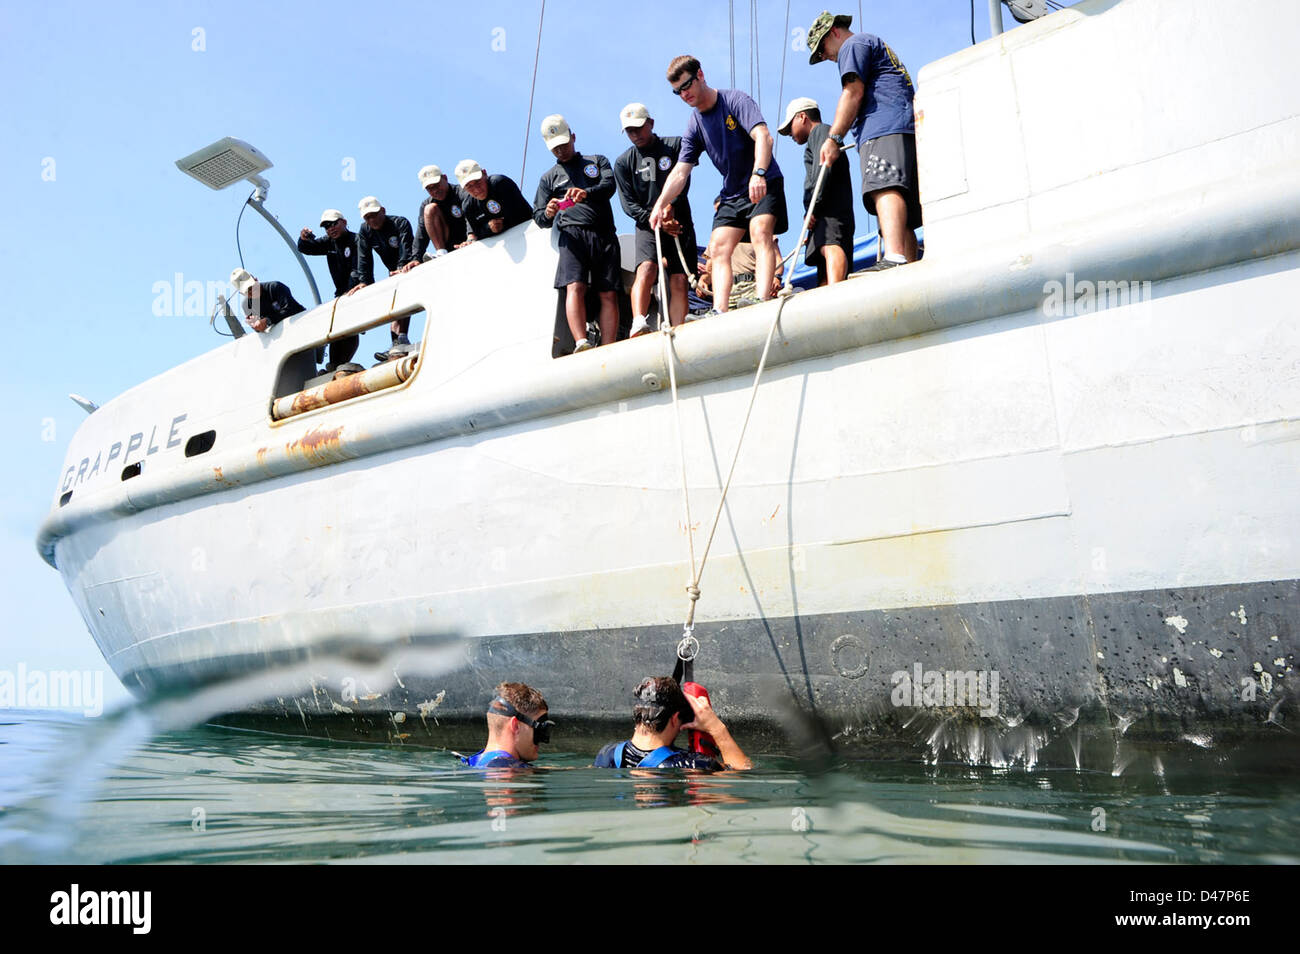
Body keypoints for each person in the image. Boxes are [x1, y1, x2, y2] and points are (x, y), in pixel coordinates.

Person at [650, 55, 788, 317]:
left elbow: (763, 136)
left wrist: (758, 173)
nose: (684, 94)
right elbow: (681, 171)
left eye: (687, 85)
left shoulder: (735, 100)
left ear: (700, 75)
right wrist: (660, 204)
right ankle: (719, 310)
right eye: (677, 91)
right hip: (732, 192)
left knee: (760, 232)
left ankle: (761, 299)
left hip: (762, 180)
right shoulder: (694, 123)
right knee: (720, 245)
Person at [807, 11, 920, 268]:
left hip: (882, 127)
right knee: (904, 212)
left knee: (884, 185)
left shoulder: (853, 45)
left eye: (822, 49)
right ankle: (909, 265)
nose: (824, 57)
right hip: (903, 128)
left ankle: (894, 257)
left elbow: (852, 92)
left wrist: (834, 138)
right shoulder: (872, 43)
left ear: (834, 32)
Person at [532, 114, 622, 354]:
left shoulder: (597, 161)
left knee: (608, 291)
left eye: (563, 144)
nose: (560, 150)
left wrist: (586, 193)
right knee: (575, 287)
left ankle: (609, 346)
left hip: (603, 233)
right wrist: (549, 212)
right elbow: (539, 217)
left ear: (573, 137)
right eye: (555, 148)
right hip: (571, 237)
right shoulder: (548, 178)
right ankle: (581, 341)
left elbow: (609, 186)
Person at [613, 103, 697, 336]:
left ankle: (678, 329)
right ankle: (638, 321)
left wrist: (670, 206)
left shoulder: (675, 145)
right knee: (646, 268)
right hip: (647, 225)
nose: (635, 134)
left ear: (650, 123)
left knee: (680, 279)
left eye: (639, 128)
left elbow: (683, 177)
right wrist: (654, 217)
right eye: (630, 131)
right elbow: (627, 203)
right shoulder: (623, 162)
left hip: (679, 221)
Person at [593, 676, 752, 770]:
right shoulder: (691, 764)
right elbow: (743, 773)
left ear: (638, 714)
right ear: (675, 718)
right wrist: (716, 728)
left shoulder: (607, 753)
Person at [778, 97, 855, 285]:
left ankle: (834, 291)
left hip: (830, 210)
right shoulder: (818, 136)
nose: (790, 134)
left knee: (830, 246)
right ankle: (827, 295)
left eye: (790, 128)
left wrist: (814, 207)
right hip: (823, 212)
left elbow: (823, 169)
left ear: (802, 117)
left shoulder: (821, 132)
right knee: (823, 255)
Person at [349, 196, 417, 358]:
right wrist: (364, 281)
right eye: (367, 217)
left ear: (383, 211)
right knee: (394, 302)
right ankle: (396, 342)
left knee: (403, 291)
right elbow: (364, 256)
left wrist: (402, 266)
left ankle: (402, 338)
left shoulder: (400, 223)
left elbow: (407, 246)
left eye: (374, 214)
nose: (371, 219)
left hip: (409, 266)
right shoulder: (365, 230)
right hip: (392, 270)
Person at [296, 210, 360, 369]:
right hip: (340, 294)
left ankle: (341, 362)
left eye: (333, 224)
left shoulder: (357, 239)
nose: (330, 228)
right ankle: (334, 364)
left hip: (358, 288)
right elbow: (306, 248)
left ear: (344, 222)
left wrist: (352, 289)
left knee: (351, 328)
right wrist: (303, 238)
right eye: (326, 226)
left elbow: (360, 267)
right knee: (337, 327)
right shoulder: (329, 242)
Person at [461, 682, 554, 768]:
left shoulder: (475, 761)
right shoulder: (503, 769)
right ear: (515, 726)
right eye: (540, 729)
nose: (544, 739)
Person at [455, 160, 532, 242]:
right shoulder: (468, 205)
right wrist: (489, 228)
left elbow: (524, 212)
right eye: (469, 186)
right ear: (463, 188)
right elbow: (478, 234)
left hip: (529, 233)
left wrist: (503, 224)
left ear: (484, 173)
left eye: (478, 181)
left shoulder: (500, 184)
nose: (476, 189)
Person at [412, 164, 468, 262]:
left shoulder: (461, 192)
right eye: (429, 188)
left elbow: (471, 215)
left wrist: (471, 238)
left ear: (445, 178)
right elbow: (421, 233)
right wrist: (415, 258)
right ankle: (441, 253)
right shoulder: (426, 203)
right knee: (429, 209)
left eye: (436, 185)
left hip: (469, 239)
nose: (435, 191)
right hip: (449, 245)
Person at [230, 268, 304, 333]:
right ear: (242, 293)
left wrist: (268, 320)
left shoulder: (275, 287)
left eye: (252, 286)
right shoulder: (247, 305)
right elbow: (259, 329)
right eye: (247, 291)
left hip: (301, 325)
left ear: (256, 280)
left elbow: (291, 308)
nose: (252, 291)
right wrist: (256, 327)